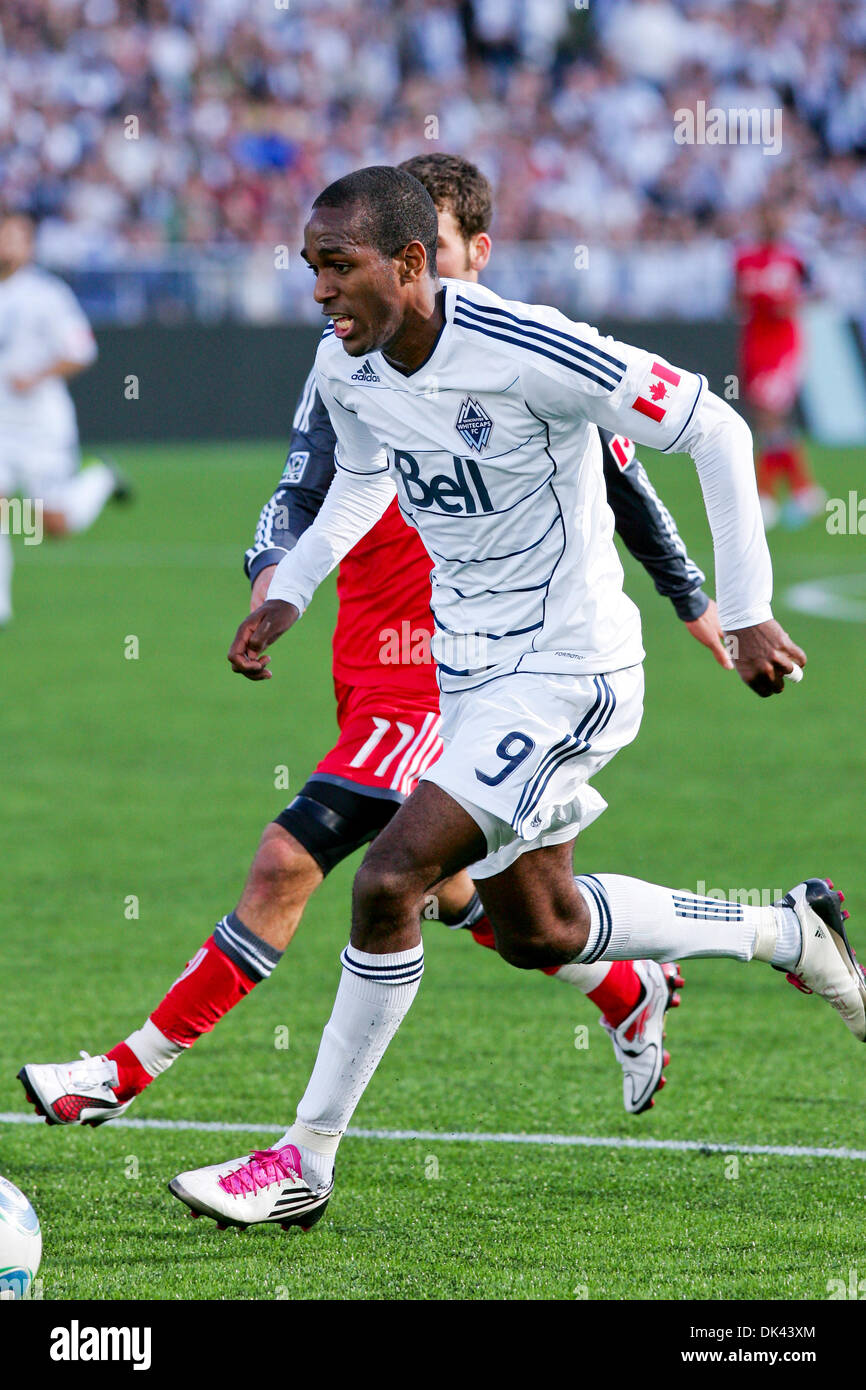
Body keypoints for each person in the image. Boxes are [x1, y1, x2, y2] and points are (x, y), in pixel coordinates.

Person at [165, 166, 861, 1233]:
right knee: (538, 927)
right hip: (471, 674)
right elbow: (359, 475)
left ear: (408, 264)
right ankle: (785, 932)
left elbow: (713, 430)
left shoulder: (529, 345)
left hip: (571, 671)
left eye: (337, 266)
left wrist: (743, 609)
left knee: (390, 879)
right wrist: (289, 592)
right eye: (310, 268)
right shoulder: (346, 363)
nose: (318, 290)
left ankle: (302, 1160)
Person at [18, 155, 727, 1131]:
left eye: (434, 253)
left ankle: (125, 1079)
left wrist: (695, 593)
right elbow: (305, 483)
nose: (356, 287)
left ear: (462, 255)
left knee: (290, 864)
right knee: (448, 890)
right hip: (366, 656)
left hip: (448, 674)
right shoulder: (354, 367)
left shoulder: (521, 365)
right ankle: (626, 986)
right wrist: (278, 578)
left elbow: (625, 477)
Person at [0, 213, 129, 625]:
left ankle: (102, 478)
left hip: (41, 428)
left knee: (55, 524)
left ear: (30, 245)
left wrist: (35, 375)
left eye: (15, 236)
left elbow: (81, 351)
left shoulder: (46, 294)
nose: (6, 242)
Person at [733, 203, 824, 530]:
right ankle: (804, 490)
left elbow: (815, 291)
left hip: (784, 344)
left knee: (771, 414)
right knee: (767, 419)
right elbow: (735, 299)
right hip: (755, 344)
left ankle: (767, 494)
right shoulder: (744, 258)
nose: (771, 218)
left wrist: (789, 303)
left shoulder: (794, 257)